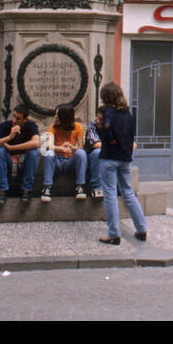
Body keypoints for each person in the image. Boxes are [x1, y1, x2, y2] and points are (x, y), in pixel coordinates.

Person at [95, 81, 149, 245]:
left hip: (110, 157)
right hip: (125, 158)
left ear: (105, 97)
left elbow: (106, 134)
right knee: (128, 192)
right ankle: (141, 228)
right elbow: (131, 134)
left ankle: (113, 233)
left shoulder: (107, 114)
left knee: (110, 194)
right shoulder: (128, 113)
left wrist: (100, 129)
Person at [0, 106, 40, 206]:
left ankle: (26, 190)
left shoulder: (31, 126)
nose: (14, 120)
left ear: (26, 119)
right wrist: (9, 137)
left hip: (24, 161)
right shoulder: (6, 125)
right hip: (8, 161)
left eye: (18, 118)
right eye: (14, 116)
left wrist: (12, 147)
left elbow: (36, 143)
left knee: (34, 152)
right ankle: (2, 191)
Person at [40, 105, 88, 202]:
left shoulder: (77, 127)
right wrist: (61, 149)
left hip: (70, 161)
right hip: (57, 161)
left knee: (81, 153)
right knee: (49, 153)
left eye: (57, 115)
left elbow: (80, 147)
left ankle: (80, 187)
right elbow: (49, 146)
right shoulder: (52, 127)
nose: (55, 117)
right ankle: (47, 188)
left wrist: (71, 147)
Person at [83, 114, 103, 199]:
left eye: (101, 119)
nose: (97, 121)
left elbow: (131, 144)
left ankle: (124, 187)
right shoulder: (92, 125)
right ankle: (97, 188)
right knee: (98, 152)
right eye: (97, 117)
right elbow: (96, 144)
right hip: (92, 158)